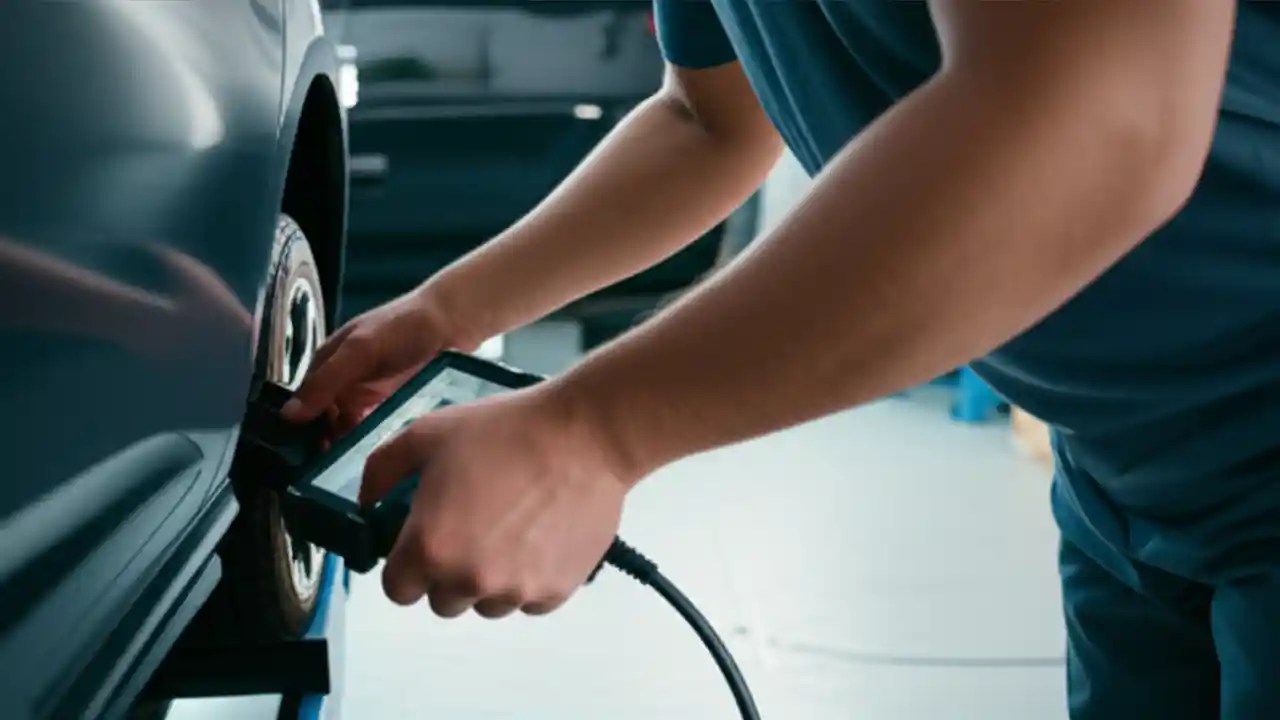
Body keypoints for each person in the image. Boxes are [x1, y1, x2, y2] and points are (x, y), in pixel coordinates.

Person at [284, 2, 1280, 716]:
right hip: (1120, 472)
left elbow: (1104, 118)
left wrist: (592, 434)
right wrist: (446, 311)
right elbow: (708, 123)